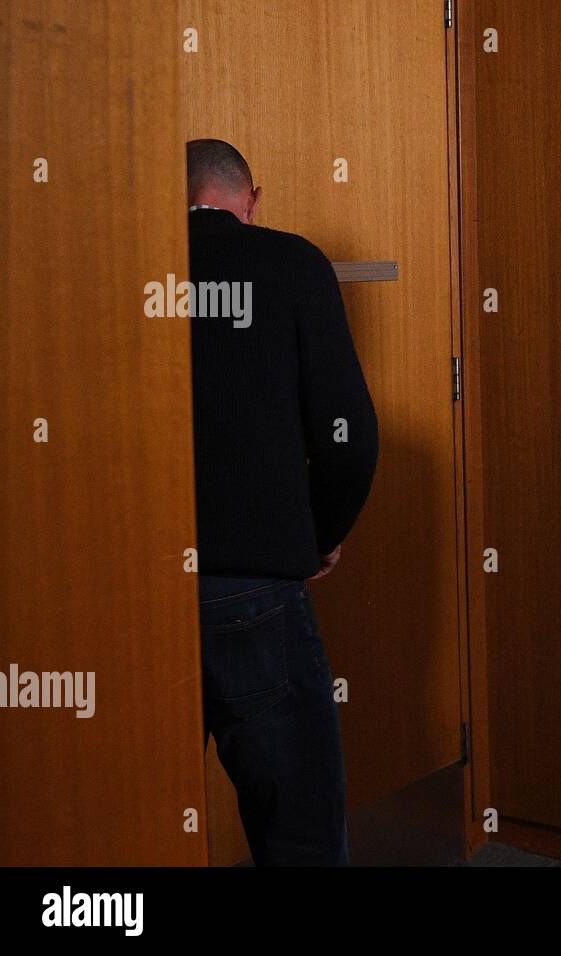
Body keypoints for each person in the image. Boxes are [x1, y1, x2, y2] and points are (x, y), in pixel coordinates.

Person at [187, 139, 379, 863]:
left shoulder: (128, 267)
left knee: (135, 802)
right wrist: (320, 534)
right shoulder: (291, 263)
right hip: (255, 586)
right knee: (297, 821)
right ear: (251, 199)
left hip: (135, 591)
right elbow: (349, 437)